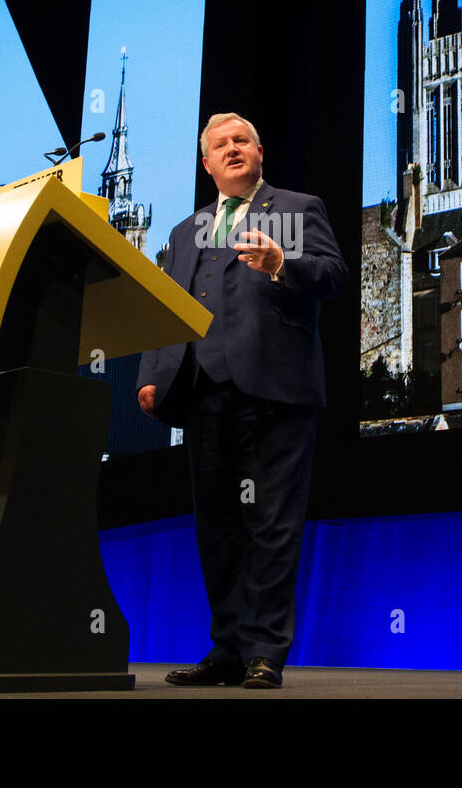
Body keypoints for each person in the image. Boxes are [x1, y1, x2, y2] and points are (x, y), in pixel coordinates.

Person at [137, 112, 347, 689]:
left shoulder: (296, 210)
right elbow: (168, 309)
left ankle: (264, 653)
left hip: (277, 391)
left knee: (273, 526)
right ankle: (228, 649)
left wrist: (283, 264)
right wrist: (153, 374)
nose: (231, 150)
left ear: (259, 152)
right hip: (204, 397)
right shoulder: (185, 232)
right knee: (219, 529)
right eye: (219, 145)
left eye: (241, 141)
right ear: (206, 164)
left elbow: (334, 276)